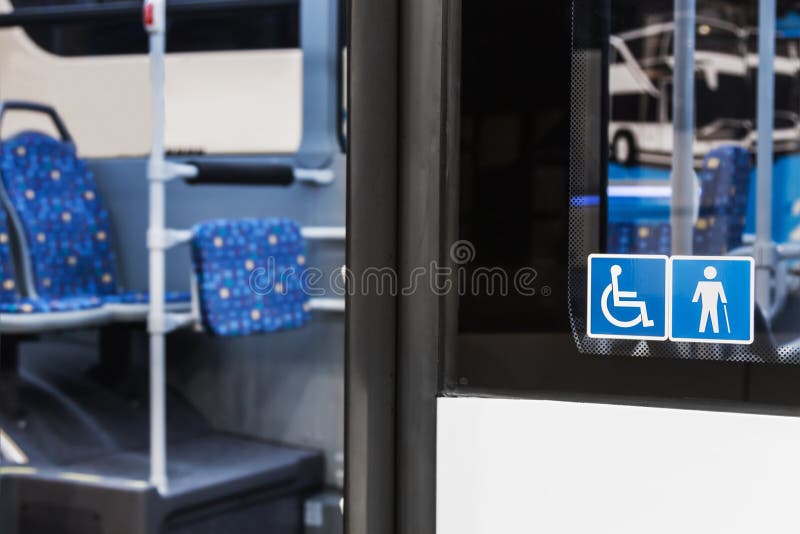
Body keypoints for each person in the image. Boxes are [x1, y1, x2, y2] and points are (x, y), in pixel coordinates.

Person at [692, 266, 727, 334]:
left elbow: (722, 294)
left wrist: (724, 300)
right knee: (706, 315)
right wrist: (723, 300)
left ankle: (714, 330)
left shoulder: (717, 284)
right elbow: (697, 294)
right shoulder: (702, 284)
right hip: (706, 304)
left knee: (711, 315)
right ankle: (706, 330)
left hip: (712, 304)